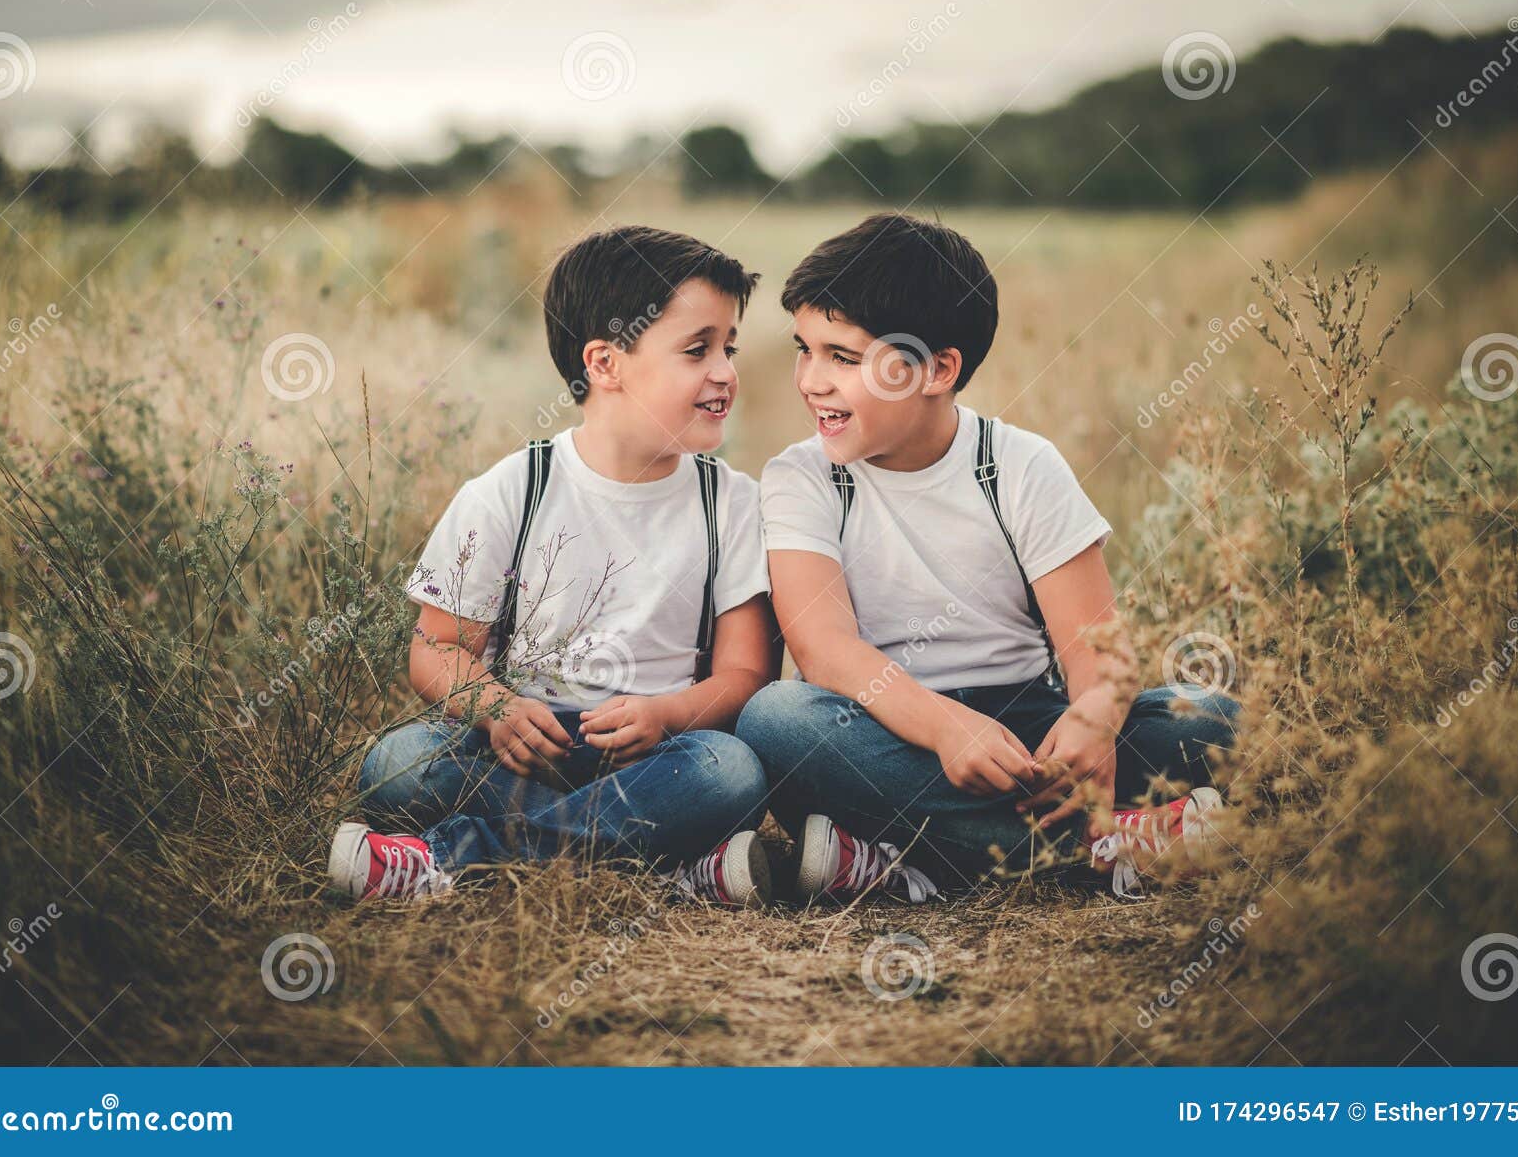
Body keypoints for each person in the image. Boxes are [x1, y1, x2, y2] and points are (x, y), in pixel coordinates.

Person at [734, 213, 1241, 904]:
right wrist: (945, 728)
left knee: (1213, 718)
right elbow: (823, 650)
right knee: (778, 720)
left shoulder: (1019, 465)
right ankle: (1098, 849)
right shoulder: (802, 478)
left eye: (843, 358)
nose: (811, 380)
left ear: (939, 368)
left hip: (1028, 732)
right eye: (806, 349)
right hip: (884, 733)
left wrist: (1093, 717)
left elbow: (1101, 653)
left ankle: (908, 858)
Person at [327, 226, 778, 907]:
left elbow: (746, 674)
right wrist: (496, 707)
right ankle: (659, 863)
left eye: (728, 348)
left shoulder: (732, 503)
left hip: (658, 753)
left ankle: (456, 856)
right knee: (400, 764)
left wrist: (665, 714)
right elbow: (436, 648)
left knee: (731, 772)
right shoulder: (512, 491)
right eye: (697, 349)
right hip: (522, 748)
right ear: (604, 363)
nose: (724, 371)